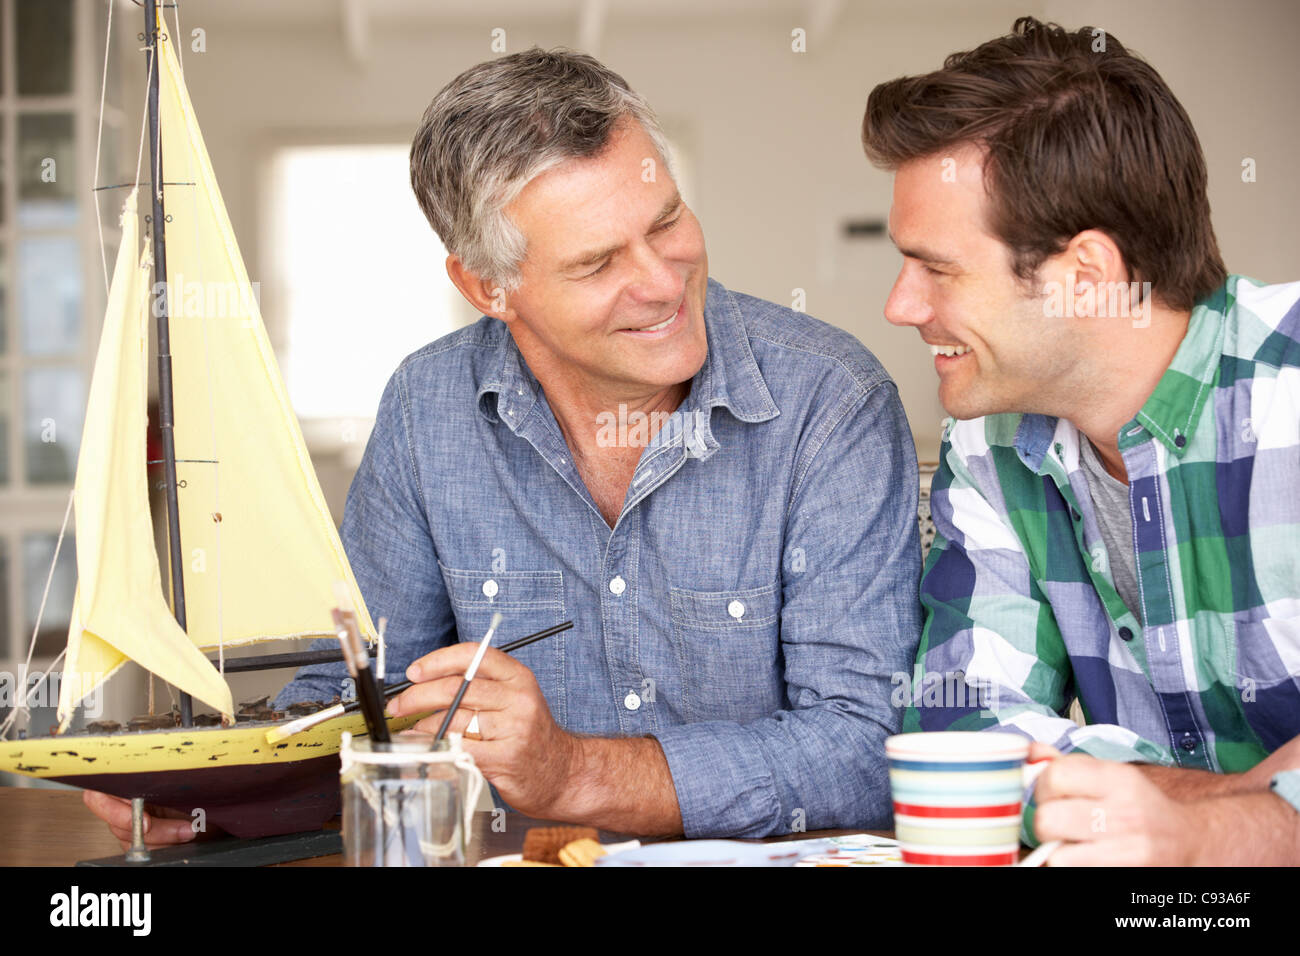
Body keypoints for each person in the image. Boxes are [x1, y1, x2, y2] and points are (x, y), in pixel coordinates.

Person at [87, 47, 922, 847]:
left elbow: (867, 746)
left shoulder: (831, 402)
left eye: (665, 221)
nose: (664, 282)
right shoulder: (426, 409)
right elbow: (362, 702)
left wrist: (575, 774)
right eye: (597, 264)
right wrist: (223, 801)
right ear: (488, 287)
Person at [861, 17, 1300, 864]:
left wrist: (1207, 832)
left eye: (937, 268)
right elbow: (963, 731)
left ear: (1086, 276)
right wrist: (1247, 804)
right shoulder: (988, 444)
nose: (900, 306)